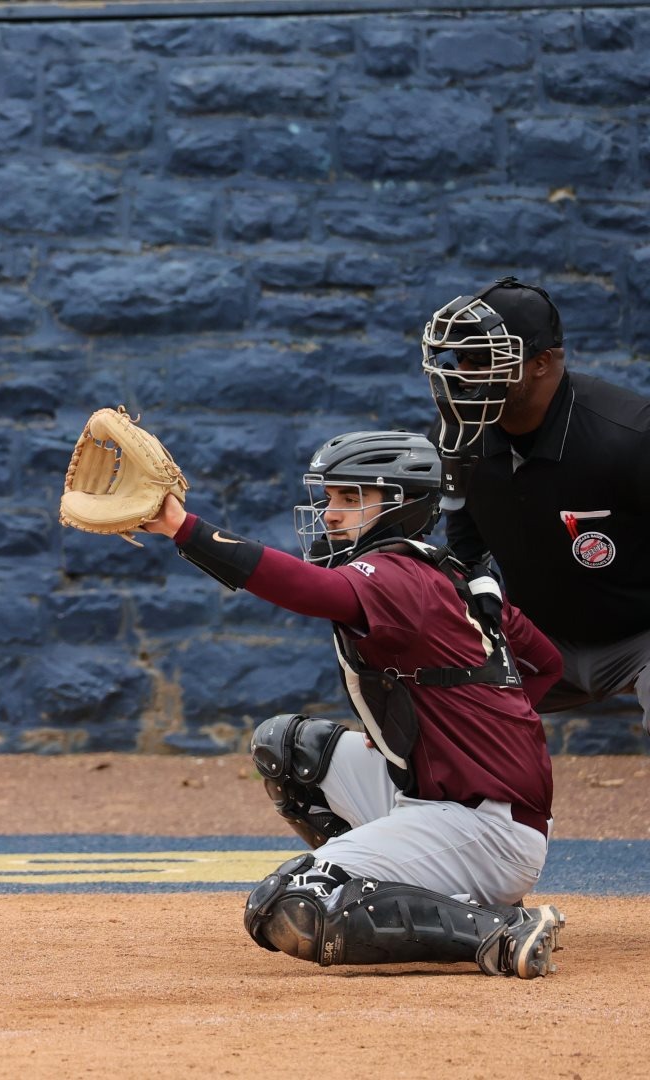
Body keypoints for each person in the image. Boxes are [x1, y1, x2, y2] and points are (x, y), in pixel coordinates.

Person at [126, 428, 565, 977]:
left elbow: (310, 591)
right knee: (287, 749)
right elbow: (547, 665)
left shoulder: (396, 575)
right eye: (332, 496)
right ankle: (430, 894)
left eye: (353, 497)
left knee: (290, 905)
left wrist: (181, 528)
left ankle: (498, 932)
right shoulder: (444, 572)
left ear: (402, 505)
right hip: (454, 804)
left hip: (482, 831)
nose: (331, 512)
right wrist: (479, 739)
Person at [422, 277, 650, 738]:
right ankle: (467, 814)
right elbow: (466, 556)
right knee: (422, 699)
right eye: (459, 358)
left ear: (542, 363)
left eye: (482, 360)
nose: (463, 374)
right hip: (539, 642)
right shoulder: (457, 436)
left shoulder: (629, 435)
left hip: (642, 640)